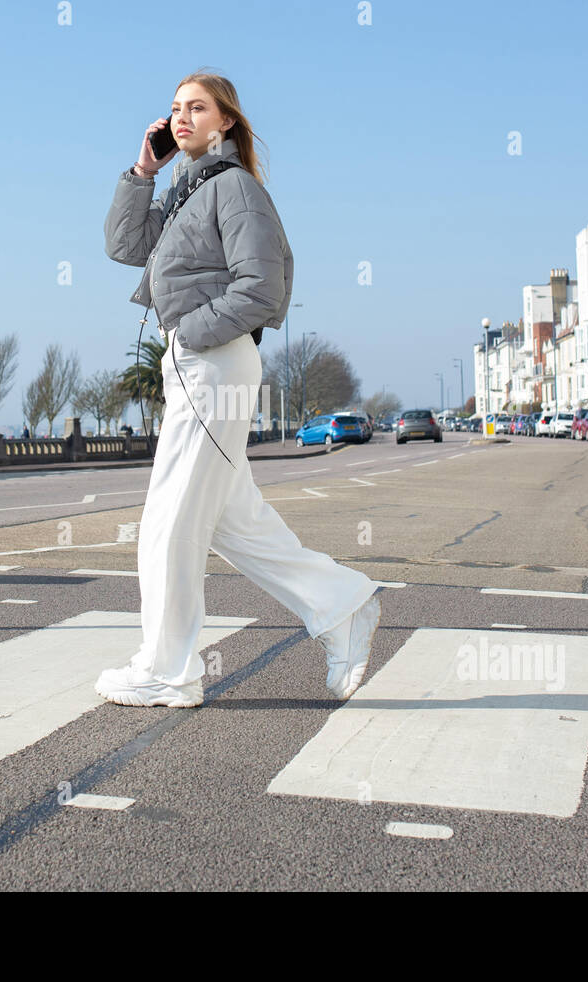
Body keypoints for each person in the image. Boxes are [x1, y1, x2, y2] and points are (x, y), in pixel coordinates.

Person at [97, 71, 380, 709]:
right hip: (196, 365)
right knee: (235, 523)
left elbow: (263, 289)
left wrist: (192, 334)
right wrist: (141, 172)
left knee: (168, 522)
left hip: (213, 366)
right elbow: (123, 246)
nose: (181, 118)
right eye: (174, 109)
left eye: (196, 107)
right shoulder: (183, 190)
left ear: (226, 120)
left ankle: (166, 669)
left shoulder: (236, 189)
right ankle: (344, 607)